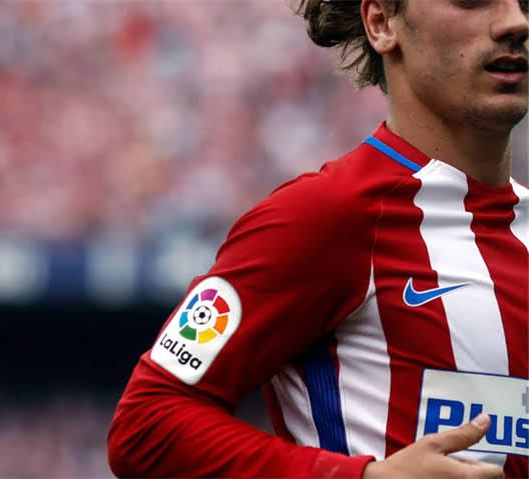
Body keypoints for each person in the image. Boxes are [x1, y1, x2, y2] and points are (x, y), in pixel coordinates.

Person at [107, 0, 528, 477]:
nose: (515, 22)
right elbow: (146, 422)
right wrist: (363, 477)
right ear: (381, 23)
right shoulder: (325, 215)